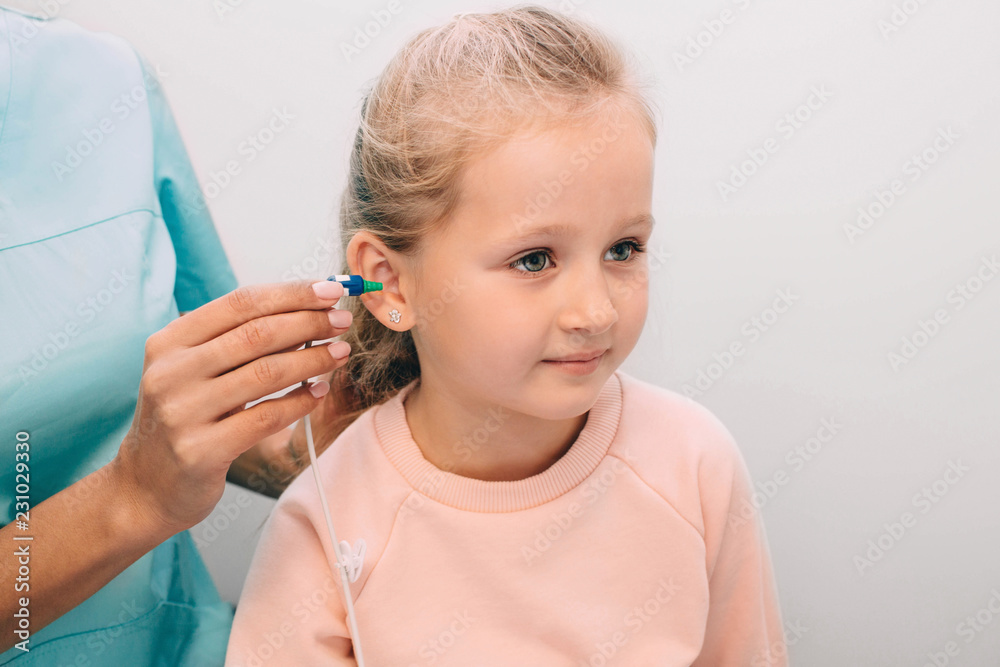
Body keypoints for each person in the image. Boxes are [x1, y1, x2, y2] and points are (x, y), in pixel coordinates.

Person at [225, 6, 788, 666]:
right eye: (534, 259)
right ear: (391, 284)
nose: (595, 310)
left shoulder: (694, 464)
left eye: (624, 247)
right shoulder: (328, 522)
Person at [0, 6, 353, 664]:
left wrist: (411, 405)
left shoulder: (105, 82)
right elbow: (159, 466)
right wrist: (131, 495)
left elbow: (234, 414)